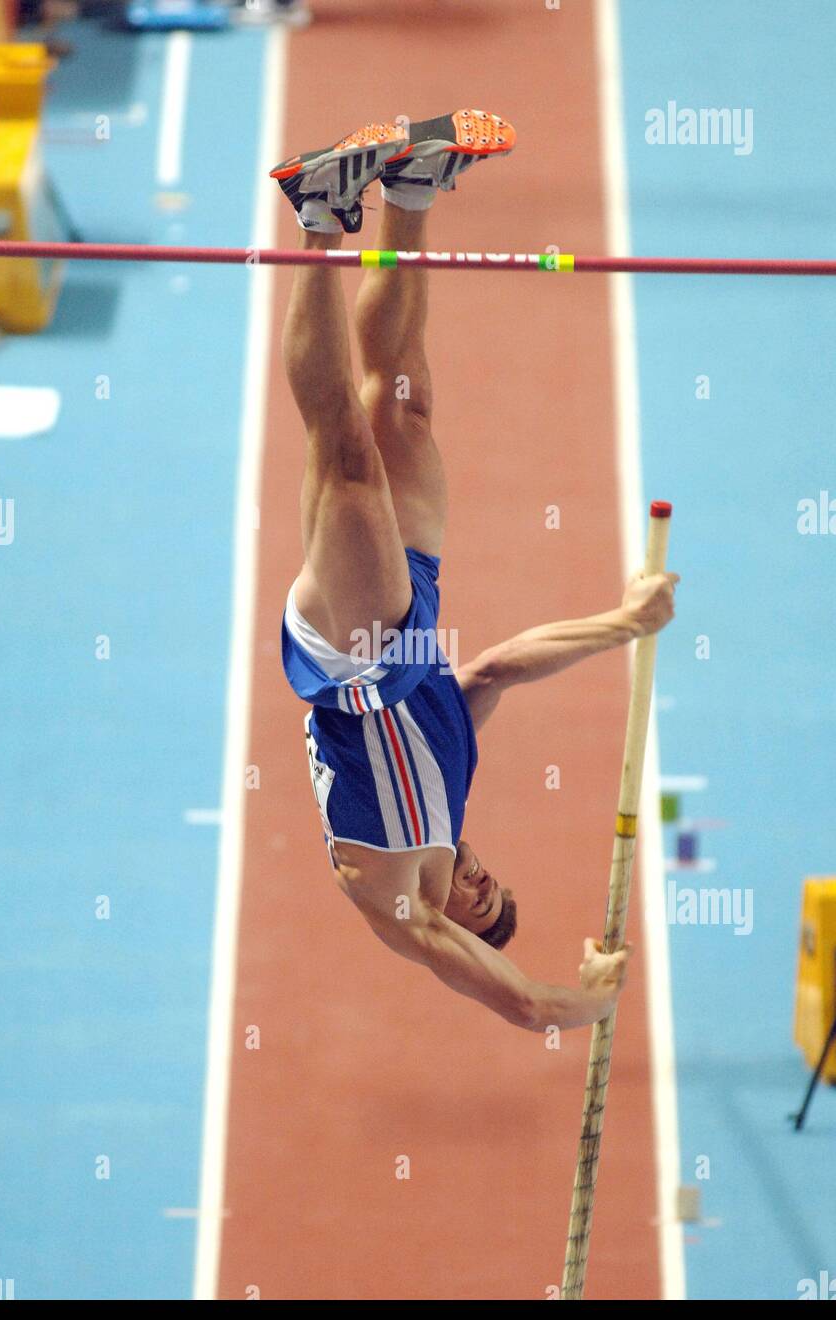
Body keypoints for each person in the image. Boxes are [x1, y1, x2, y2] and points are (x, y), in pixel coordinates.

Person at [271, 112, 679, 1030]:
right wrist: (623, 621)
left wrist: (594, 998)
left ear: (452, 923)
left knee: (343, 452)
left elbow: (534, 1008)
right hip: (409, 626)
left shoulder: (399, 905)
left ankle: (315, 218)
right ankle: (410, 194)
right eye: (498, 891)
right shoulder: (452, 781)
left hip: (358, 663)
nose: (482, 887)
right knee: (403, 399)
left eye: (478, 906)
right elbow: (500, 666)